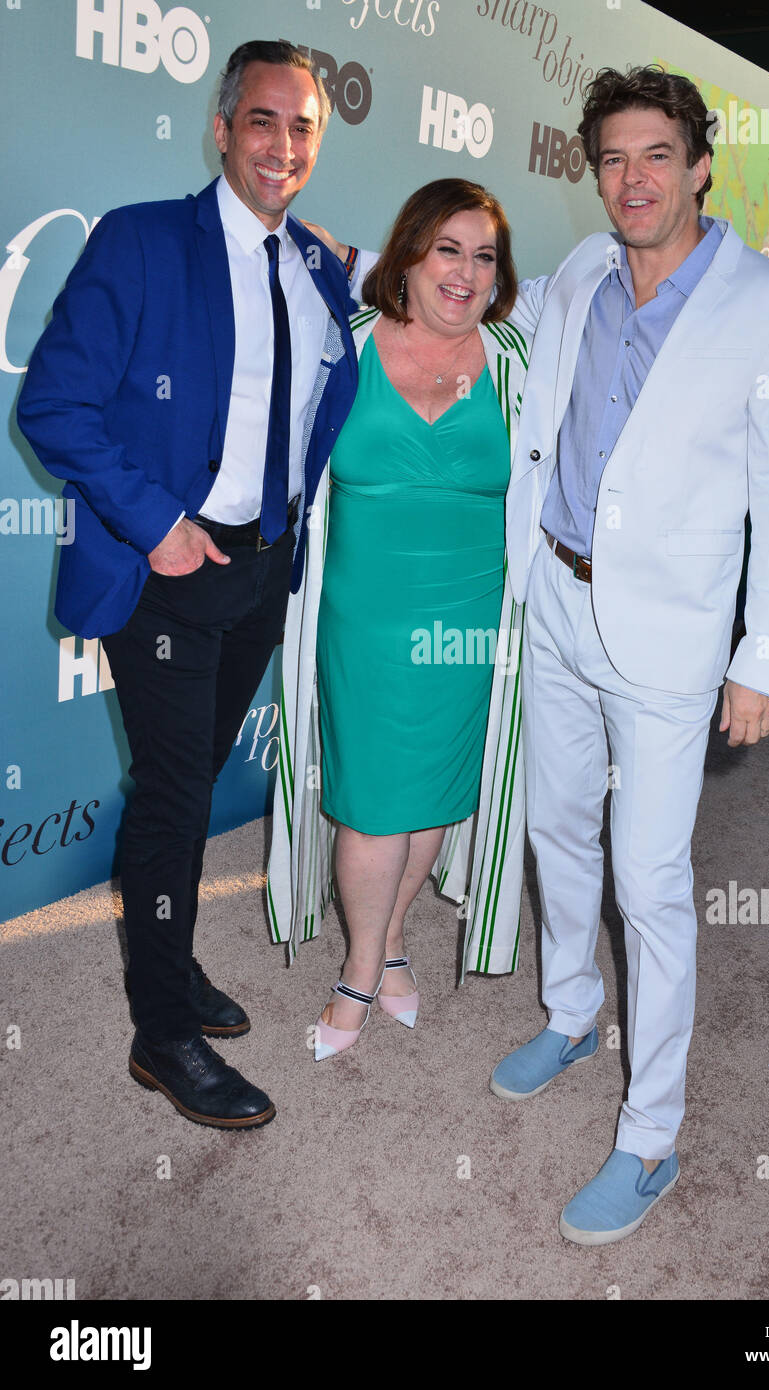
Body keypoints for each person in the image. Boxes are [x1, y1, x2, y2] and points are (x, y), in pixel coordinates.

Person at [491, 65, 769, 1244]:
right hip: (557, 603)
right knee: (553, 827)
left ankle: (651, 1137)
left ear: (699, 166)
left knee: (653, 882)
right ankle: (573, 1010)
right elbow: (491, 304)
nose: (631, 180)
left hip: (674, 635)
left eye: (654, 156)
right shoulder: (584, 270)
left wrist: (766, 656)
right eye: (612, 159)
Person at [17, 39, 360, 1129]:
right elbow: (53, 407)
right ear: (221, 129)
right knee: (172, 797)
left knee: (195, 780)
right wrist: (157, 522)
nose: (282, 144)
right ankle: (161, 1031)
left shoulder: (315, 266)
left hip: (263, 570)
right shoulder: (142, 242)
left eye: (303, 126)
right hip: (170, 568)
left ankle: (165, 957)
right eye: (263, 120)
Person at [266, 180, 530, 1058]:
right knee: (373, 805)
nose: (465, 272)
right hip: (365, 616)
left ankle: (392, 940)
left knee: (436, 796)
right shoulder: (342, 346)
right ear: (408, 255)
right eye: (447, 249)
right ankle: (358, 966)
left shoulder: (520, 361)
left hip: (471, 619)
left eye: (484, 255)